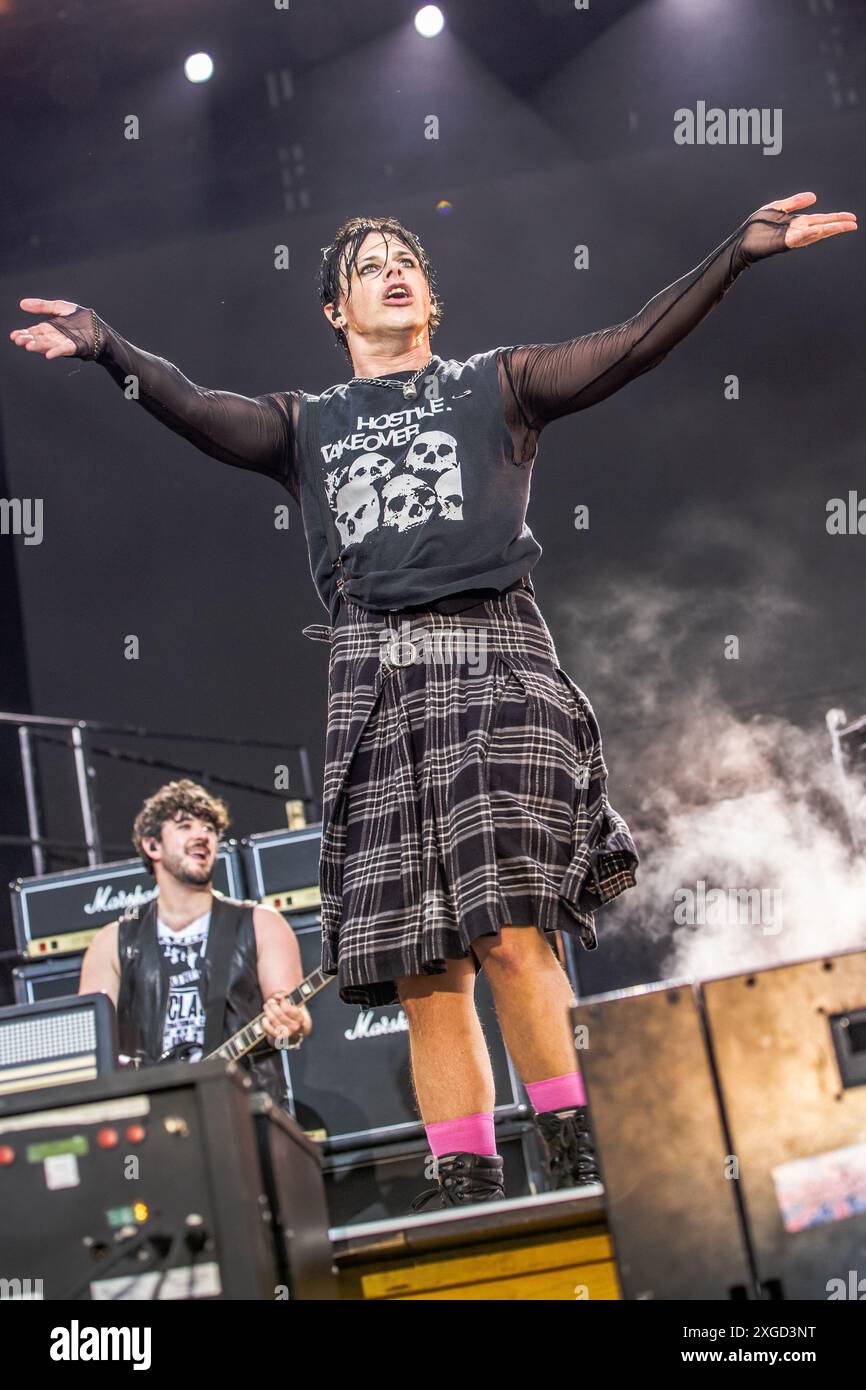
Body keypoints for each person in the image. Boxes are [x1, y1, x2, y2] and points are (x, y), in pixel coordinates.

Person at [12, 190, 856, 1206]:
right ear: (335, 309)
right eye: (366, 263)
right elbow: (193, 405)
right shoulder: (305, 425)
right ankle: (463, 1178)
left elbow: (631, 342)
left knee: (505, 928)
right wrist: (109, 347)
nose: (391, 268)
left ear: (428, 297)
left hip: (494, 662)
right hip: (371, 684)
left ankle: (577, 1154)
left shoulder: (495, 386)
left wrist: (736, 253)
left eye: (404, 256)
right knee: (423, 965)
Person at [78, 779, 312, 1108]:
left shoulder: (262, 924)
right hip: (155, 1120)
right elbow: (95, 1048)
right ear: (152, 846)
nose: (202, 834)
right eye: (185, 826)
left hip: (247, 1111)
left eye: (209, 827)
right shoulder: (111, 944)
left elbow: (290, 1021)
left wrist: (291, 1025)